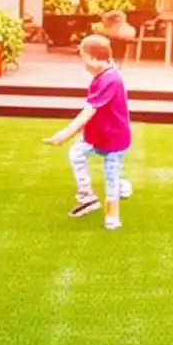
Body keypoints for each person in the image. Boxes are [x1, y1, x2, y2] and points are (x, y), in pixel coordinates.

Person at [43, 35, 133, 230]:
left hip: (114, 139)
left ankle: (112, 217)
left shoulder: (110, 79)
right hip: (97, 135)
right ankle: (87, 196)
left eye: (83, 57)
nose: (82, 63)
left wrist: (65, 134)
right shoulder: (103, 76)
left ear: (92, 58)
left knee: (111, 175)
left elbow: (89, 111)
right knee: (77, 154)